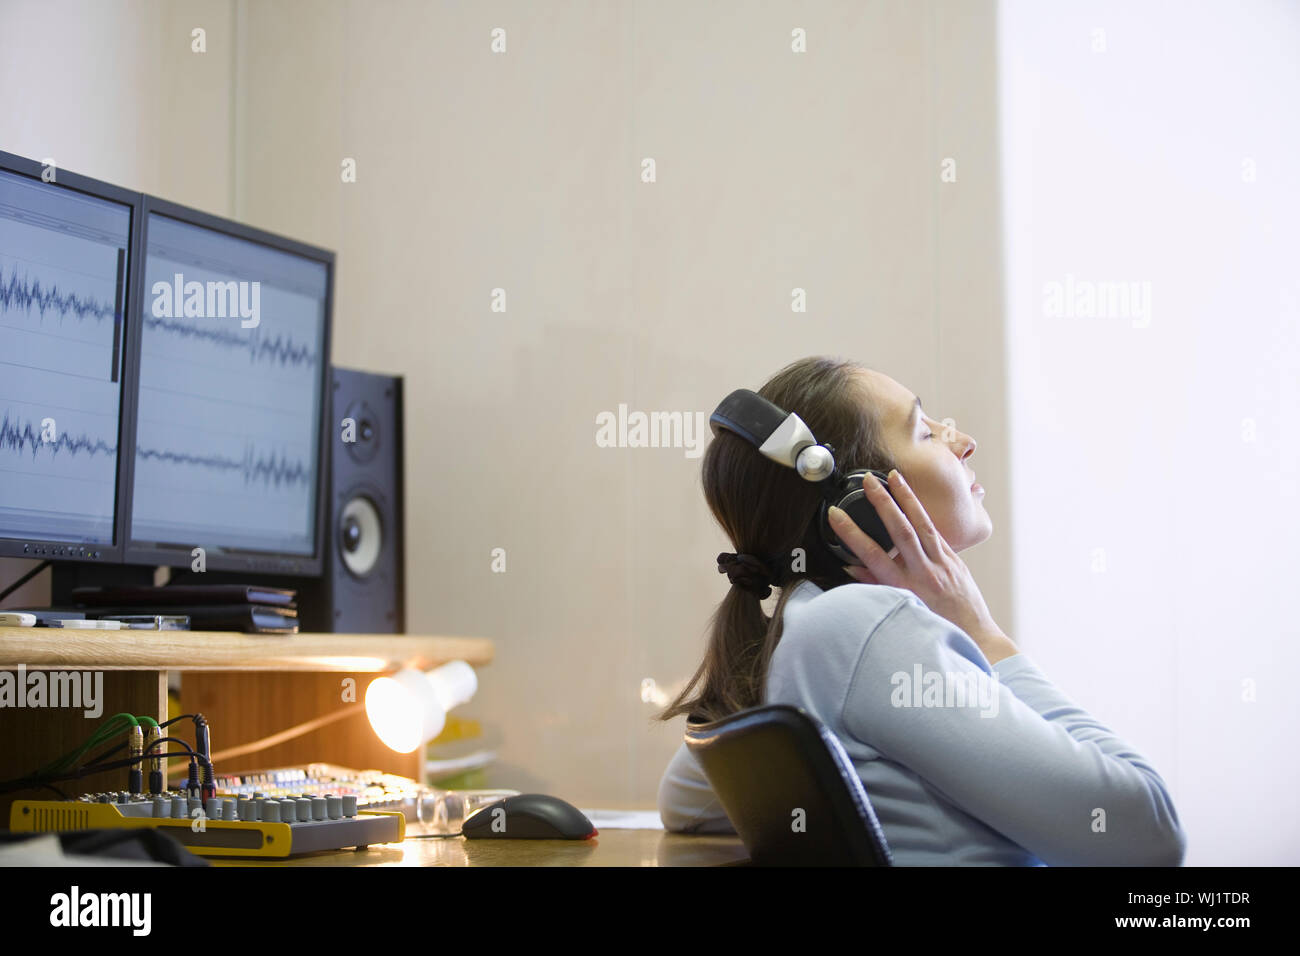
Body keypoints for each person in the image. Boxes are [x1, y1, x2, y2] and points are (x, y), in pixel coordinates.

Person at [655, 355, 1186, 866]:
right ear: (859, 507)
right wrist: (980, 629)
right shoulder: (864, 629)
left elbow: (683, 803)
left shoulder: (803, 625)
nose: (964, 440)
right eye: (927, 433)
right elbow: (1149, 835)